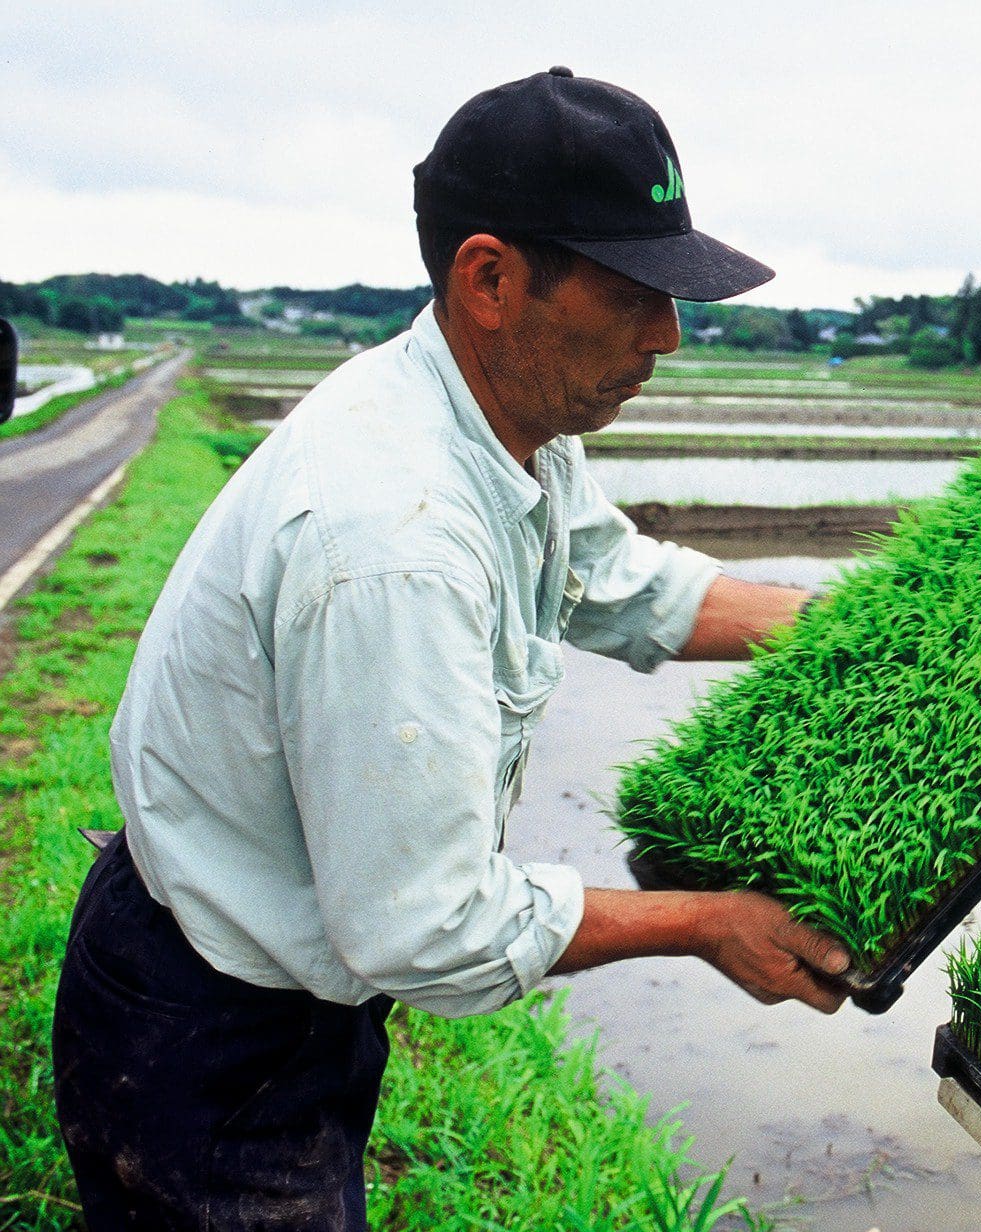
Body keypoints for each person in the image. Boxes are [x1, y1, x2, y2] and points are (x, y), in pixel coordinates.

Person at [52, 68, 850, 1229]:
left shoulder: (497, 421)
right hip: (210, 1025)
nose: (668, 336)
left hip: (249, 963)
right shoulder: (392, 539)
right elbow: (426, 926)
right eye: (636, 292)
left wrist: (848, 630)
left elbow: (610, 575)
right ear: (490, 279)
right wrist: (706, 919)